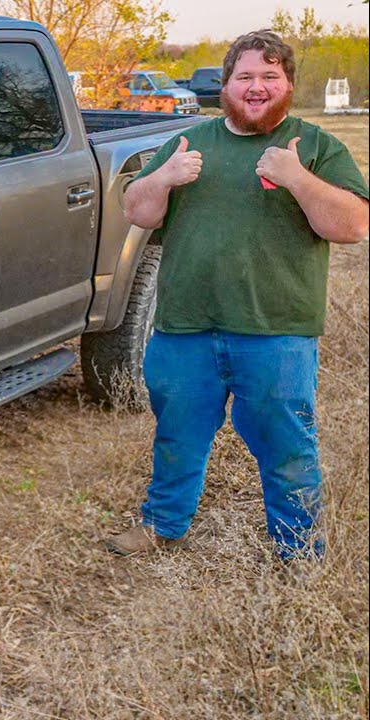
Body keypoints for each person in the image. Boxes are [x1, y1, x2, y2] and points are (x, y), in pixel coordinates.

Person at [106, 30, 370, 561]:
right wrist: (164, 178)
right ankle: (163, 525)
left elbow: (354, 225)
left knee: (287, 449)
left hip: (277, 330)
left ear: (288, 84)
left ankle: (298, 550)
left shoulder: (315, 146)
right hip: (184, 328)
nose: (257, 87)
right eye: (245, 76)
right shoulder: (188, 141)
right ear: (225, 85)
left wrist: (297, 179)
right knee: (176, 437)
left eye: (270, 76)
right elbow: (137, 210)